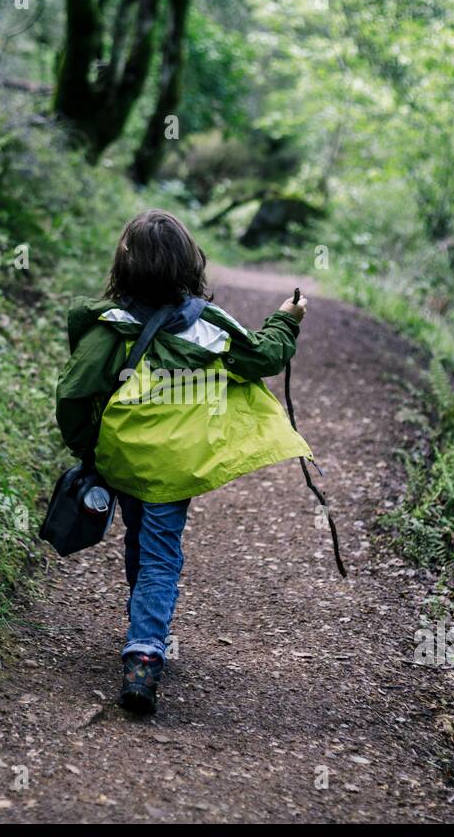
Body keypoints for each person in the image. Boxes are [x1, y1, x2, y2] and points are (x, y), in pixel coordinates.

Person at [55, 209, 310, 714]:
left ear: (124, 268)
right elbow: (263, 357)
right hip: (176, 469)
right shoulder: (210, 326)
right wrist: (287, 318)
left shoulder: (108, 331)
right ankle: (146, 651)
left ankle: (142, 628)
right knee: (160, 552)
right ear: (189, 266)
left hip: (122, 459)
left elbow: (72, 395)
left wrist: (89, 447)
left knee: (140, 537)